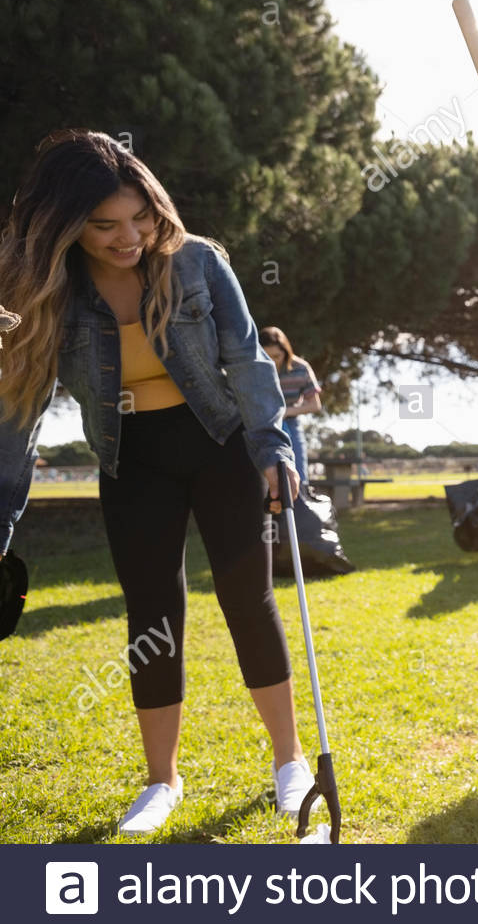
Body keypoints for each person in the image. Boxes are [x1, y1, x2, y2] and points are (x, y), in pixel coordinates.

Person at [0, 130, 317, 835]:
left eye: (140, 217)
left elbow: (246, 362)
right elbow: (18, 413)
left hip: (220, 444)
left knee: (247, 596)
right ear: (65, 225)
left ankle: (290, 764)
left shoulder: (198, 262)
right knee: (151, 615)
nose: (129, 236)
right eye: (104, 225)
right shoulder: (48, 291)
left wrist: (272, 447)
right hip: (131, 457)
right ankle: (161, 781)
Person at [258, 326, 321, 484]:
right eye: (267, 356)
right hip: (260, 425)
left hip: (290, 423)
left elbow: (315, 405)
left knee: (297, 476)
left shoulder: (301, 368)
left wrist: (285, 411)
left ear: (285, 351)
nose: (272, 361)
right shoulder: (255, 369)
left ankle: (299, 503)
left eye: (277, 356)